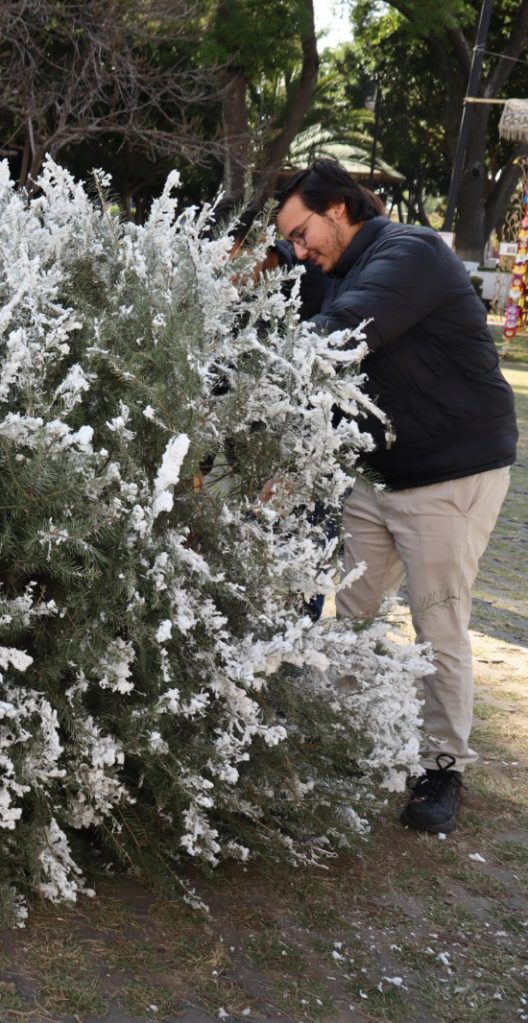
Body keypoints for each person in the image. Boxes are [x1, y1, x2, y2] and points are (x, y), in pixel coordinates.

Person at [275, 159, 518, 833]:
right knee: (355, 610)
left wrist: (257, 360)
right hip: (379, 472)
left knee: (437, 619)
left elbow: (346, 331)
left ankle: (441, 769)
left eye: (302, 233)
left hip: (451, 471)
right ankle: (350, 733)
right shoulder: (338, 269)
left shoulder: (407, 253)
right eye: (291, 242)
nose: (301, 251)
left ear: (338, 209)